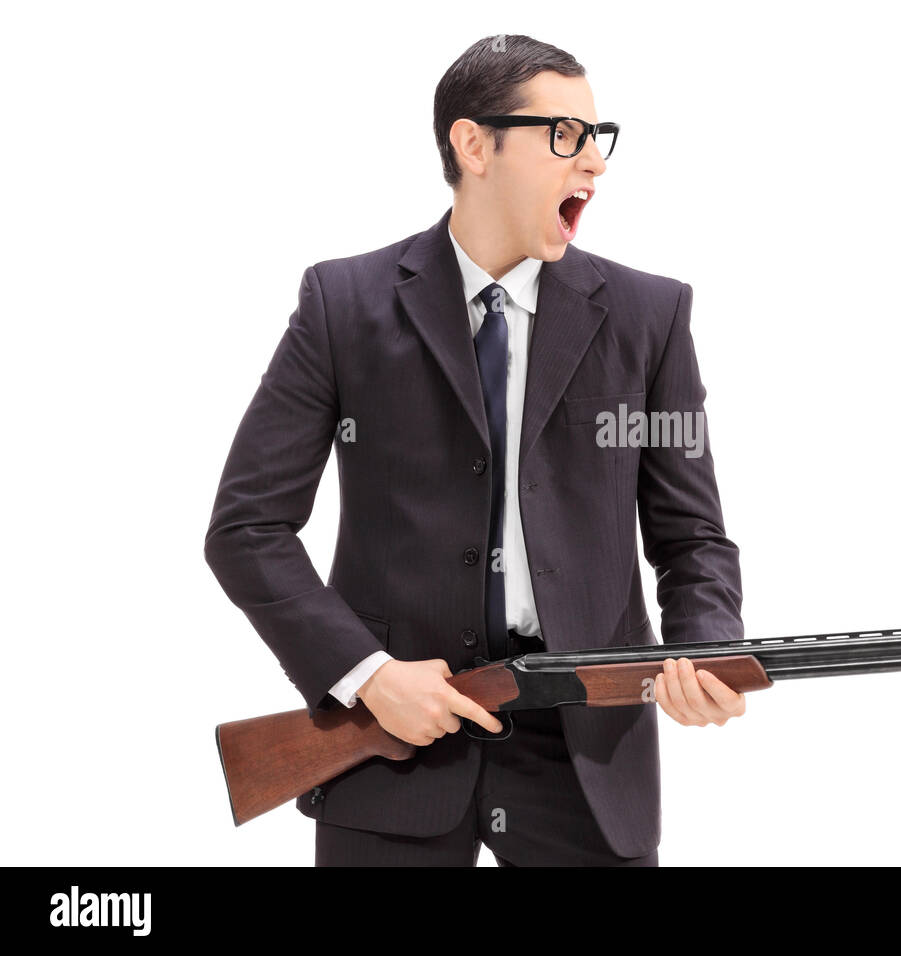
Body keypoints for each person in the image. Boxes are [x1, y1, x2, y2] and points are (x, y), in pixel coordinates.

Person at [204, 34, 745, 867]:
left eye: (601, 139)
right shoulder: (343, 305)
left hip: (587, 752)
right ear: (472, 144)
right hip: (392, 741)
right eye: (565, 136)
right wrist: (369, 675)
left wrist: (704, 644)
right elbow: (246, 529)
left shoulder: (650, 317)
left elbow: (691, 537)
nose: (594, 164)